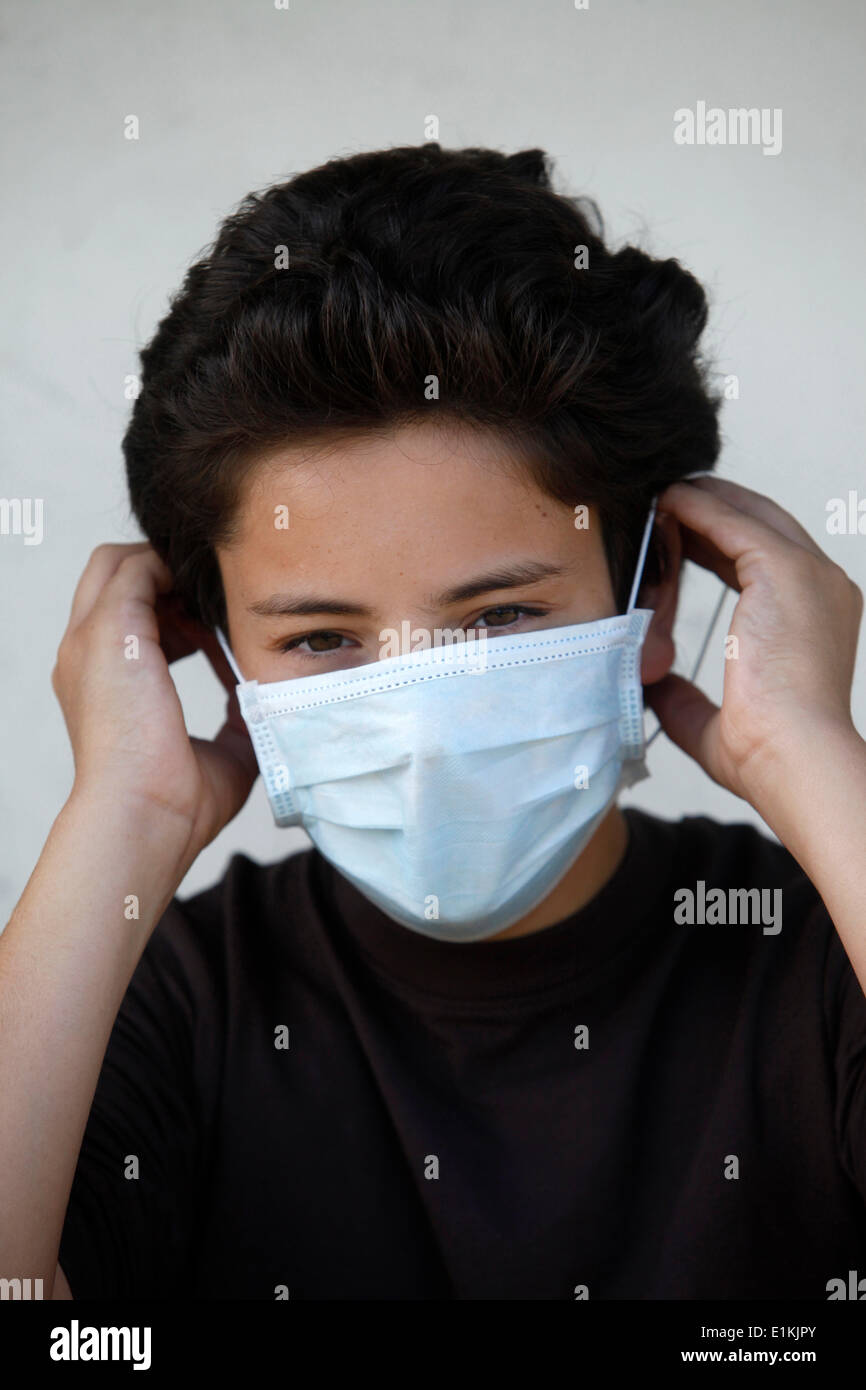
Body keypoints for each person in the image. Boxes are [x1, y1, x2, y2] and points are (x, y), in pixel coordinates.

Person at [2, 143, 865, 1302]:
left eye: (500, 613)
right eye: (320, 639)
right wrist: (122, 810)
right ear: (214, 650)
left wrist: (811, 754)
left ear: (649, 596)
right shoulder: (156, 1001)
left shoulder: (814, 961)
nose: (421, 714)